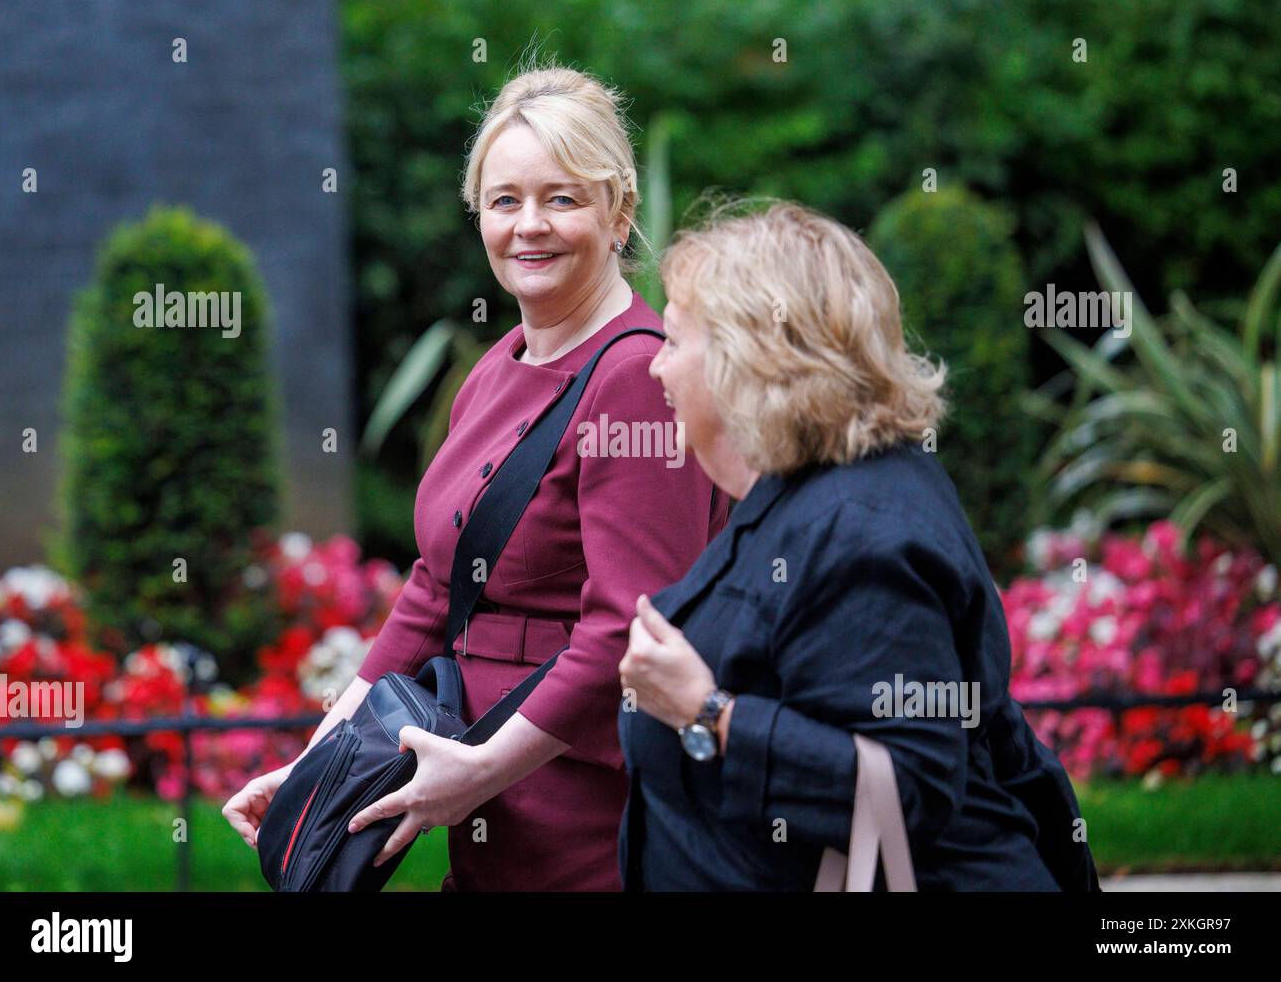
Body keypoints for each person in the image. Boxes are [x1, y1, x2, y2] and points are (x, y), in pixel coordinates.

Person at [224, 64, 726, 891]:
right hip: (485, 802)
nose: (529, 226)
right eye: (505, 201)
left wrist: (482, 770)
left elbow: (626, 633)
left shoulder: (636, 376)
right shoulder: (494, 371)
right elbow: (432, 591)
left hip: (597, 813)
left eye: (562, 198)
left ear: (620, 211)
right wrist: (317, 765)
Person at [617, 199, 1099, 891]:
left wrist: (710, 712)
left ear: (746, 353)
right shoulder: (812, 489)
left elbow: (907, 787)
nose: (656, 370)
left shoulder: (860, 527)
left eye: (672, 341)